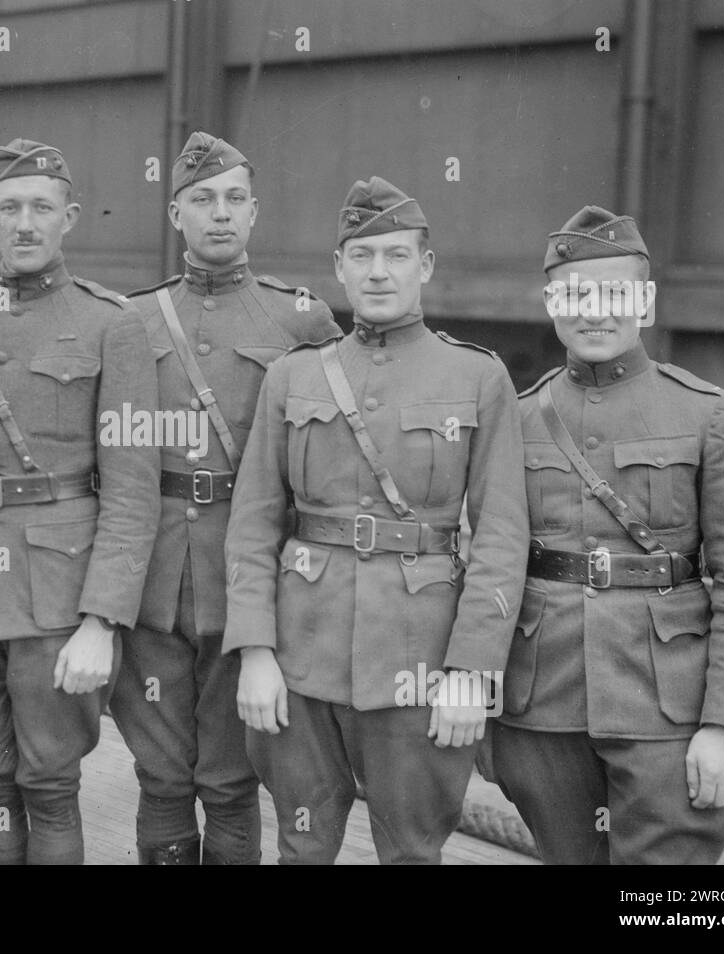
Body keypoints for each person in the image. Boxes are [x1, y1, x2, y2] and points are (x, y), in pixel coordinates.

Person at [223, 176, 528, 864]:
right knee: (301, 847)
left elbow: (503, 537)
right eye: (362, 256)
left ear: (424, 265)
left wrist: (470, 671)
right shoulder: (293, 377)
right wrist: (255, 652)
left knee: (413, 852)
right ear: (339, 268)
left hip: (419, 659)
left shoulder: (477, 378)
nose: (379, 272)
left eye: (396, 255)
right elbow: (253, 525)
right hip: (302, 657)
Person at [490, 205, 724, 864]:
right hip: (542, 708)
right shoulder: (518, 416)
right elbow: (490, 565)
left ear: (645, 301)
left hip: (666, 712)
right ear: (551, 303)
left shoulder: (711, 416)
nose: (595, 310)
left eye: (615, 292)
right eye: (576, 293)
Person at [0, 138, 160, 864]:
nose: (25, 223)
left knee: (50, 786)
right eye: (11, 208)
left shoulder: (113, 325)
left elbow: (131, 491)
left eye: (41, 208)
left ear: (69, 218)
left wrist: (102, 621)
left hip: (58, 600)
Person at [110, 131, 339, 865]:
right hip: (153, 580)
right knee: (161, 776)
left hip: (251, 577)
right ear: (175, 214)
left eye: (234, 199)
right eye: (202, 200)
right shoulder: (132, 320)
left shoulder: (301, 320)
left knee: (234, 779)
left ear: (255, 212)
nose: (219, 214)